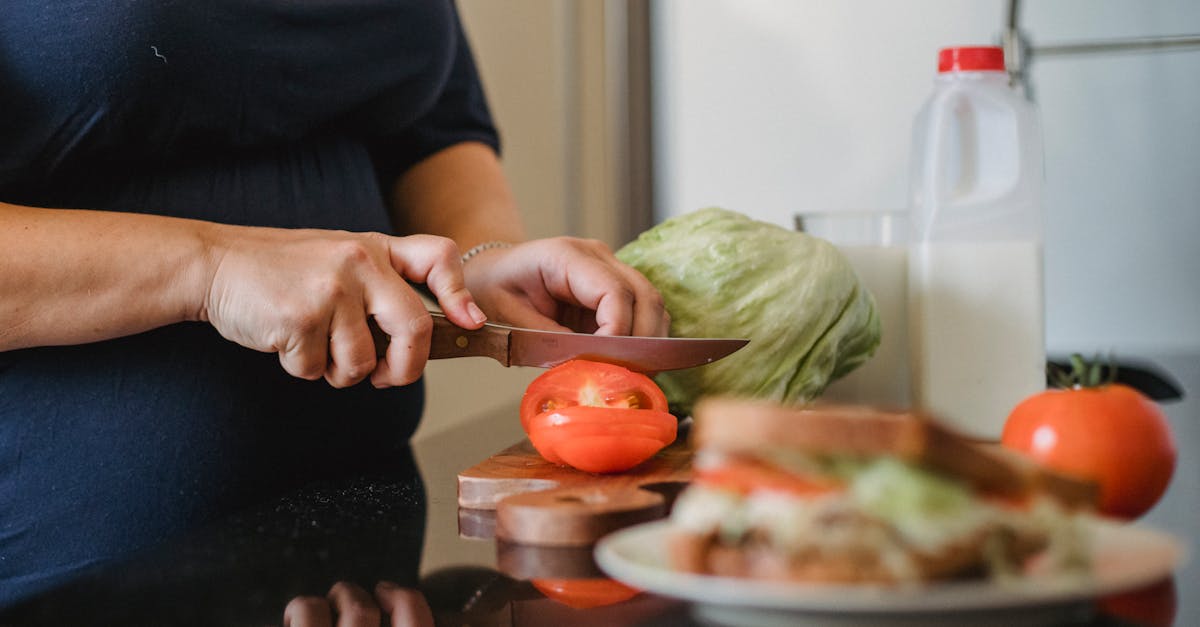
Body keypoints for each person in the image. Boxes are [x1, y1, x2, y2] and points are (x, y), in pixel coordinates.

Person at [0, 0, 667, 607]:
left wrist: (477, 262)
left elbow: (431, 122)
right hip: (85, 578)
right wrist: (214, 266)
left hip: (368, 546)